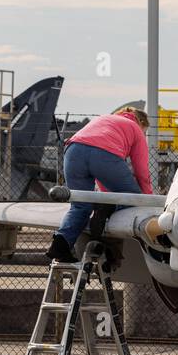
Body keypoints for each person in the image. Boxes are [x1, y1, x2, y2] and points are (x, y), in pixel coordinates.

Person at [48, 107, 155, 262]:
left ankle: (59, 246)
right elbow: (141, 171)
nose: (143, 134)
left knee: (80, 205)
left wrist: (107, 198)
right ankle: (106, 216)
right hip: (105, 154)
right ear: (141, 123)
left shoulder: (104, 119)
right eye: (144, 131)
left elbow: (97, 167)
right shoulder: (135, 128)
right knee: (132, 199)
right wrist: (147, 200)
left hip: (73, 150)